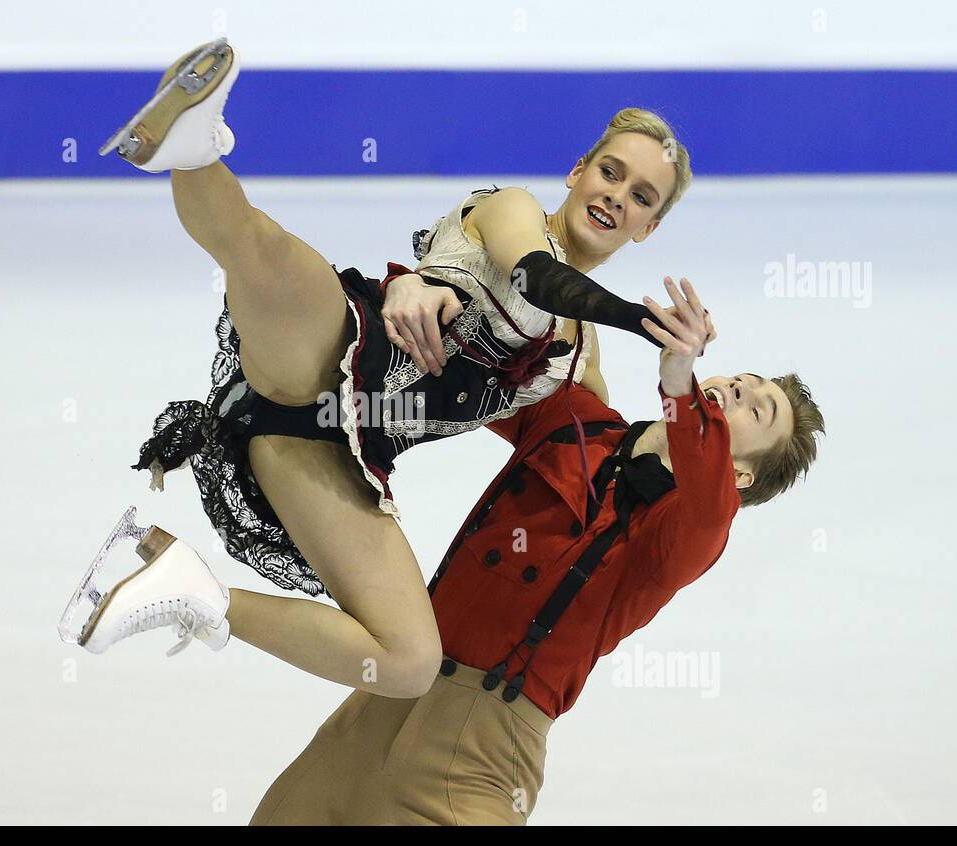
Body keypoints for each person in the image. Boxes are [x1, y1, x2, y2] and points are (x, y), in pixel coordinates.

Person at [58, 37, 705, 702]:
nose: (616, 196)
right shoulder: (513, 209)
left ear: (648, 228)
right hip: (331, 341)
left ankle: (189, 589)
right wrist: (644, 320)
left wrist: (682, 380)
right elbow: (537, 279)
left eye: (641, 195)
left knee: (409, 661)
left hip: (330, 453)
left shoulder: (573, 359)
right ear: (577, 171)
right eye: (609, 172)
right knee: (260, 248)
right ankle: (192, 147)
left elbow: (614, 450)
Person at [248, 287, 826, 824]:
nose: (742, 392)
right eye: (745, 382)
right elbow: (480, 366)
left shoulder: (685, 534)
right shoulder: (577, 422)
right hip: (373, 711)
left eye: (759, 412)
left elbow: (706, 500)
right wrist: (416, 291)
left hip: (480, 756)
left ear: (741, 476)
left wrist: (678, 385)